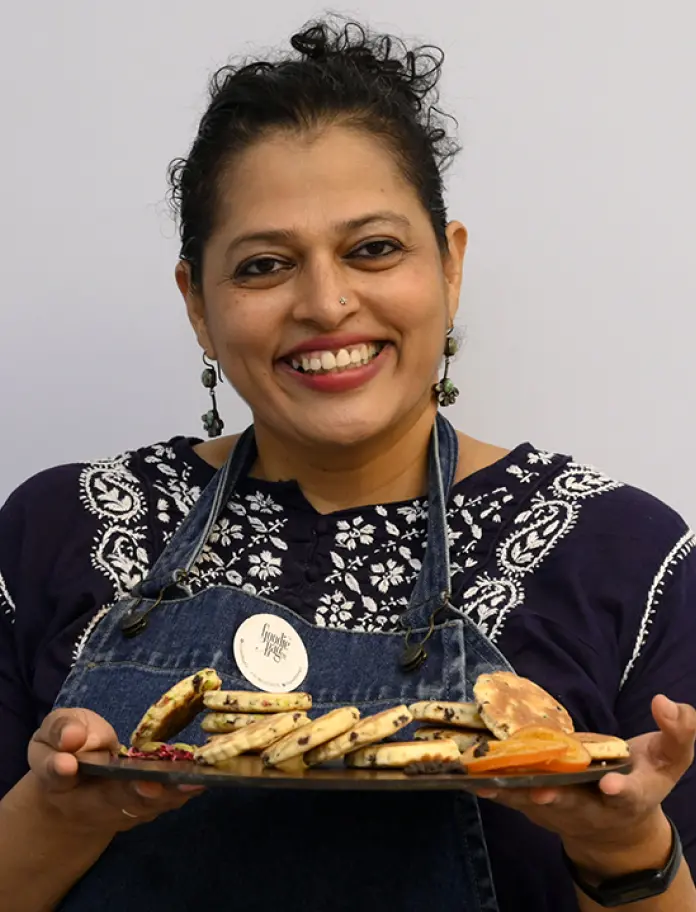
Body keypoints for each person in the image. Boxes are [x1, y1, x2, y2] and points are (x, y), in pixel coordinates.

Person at [0, 16, 694, 912]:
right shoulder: (56, 529)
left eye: (373, 249)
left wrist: (624, 840)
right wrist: (64, 813)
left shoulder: (623, 556)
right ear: (198, 305)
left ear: (448, 266)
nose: (326, 303)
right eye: (264, 265)